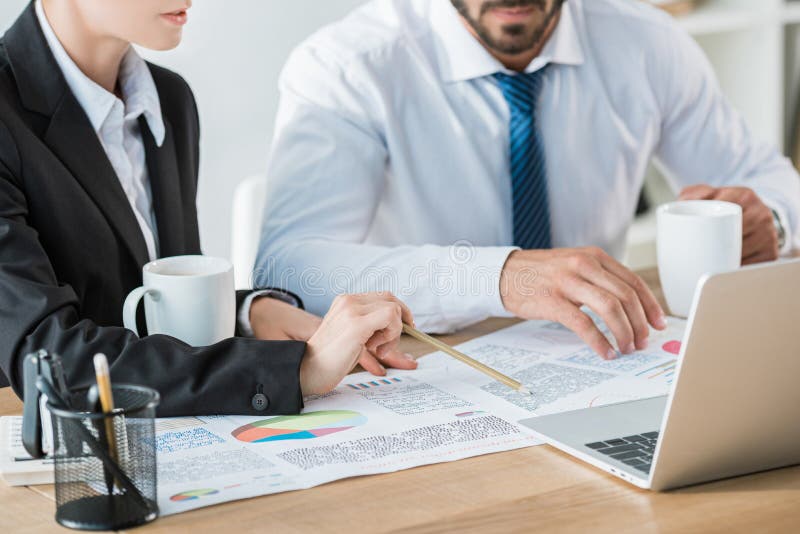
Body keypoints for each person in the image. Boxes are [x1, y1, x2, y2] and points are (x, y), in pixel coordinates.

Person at [257, 0, 800, 362]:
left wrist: (772, 217)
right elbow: (287, 265)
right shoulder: (347, 65)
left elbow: (770, 179)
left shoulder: (647, 41)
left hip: (601, 358)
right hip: (429, 364)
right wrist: (499, 276)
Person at [0, 0, 416, 415]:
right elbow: (50, 363)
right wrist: (296, 370)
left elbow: (133, 304)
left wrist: (247, 314)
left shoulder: (168, 99)